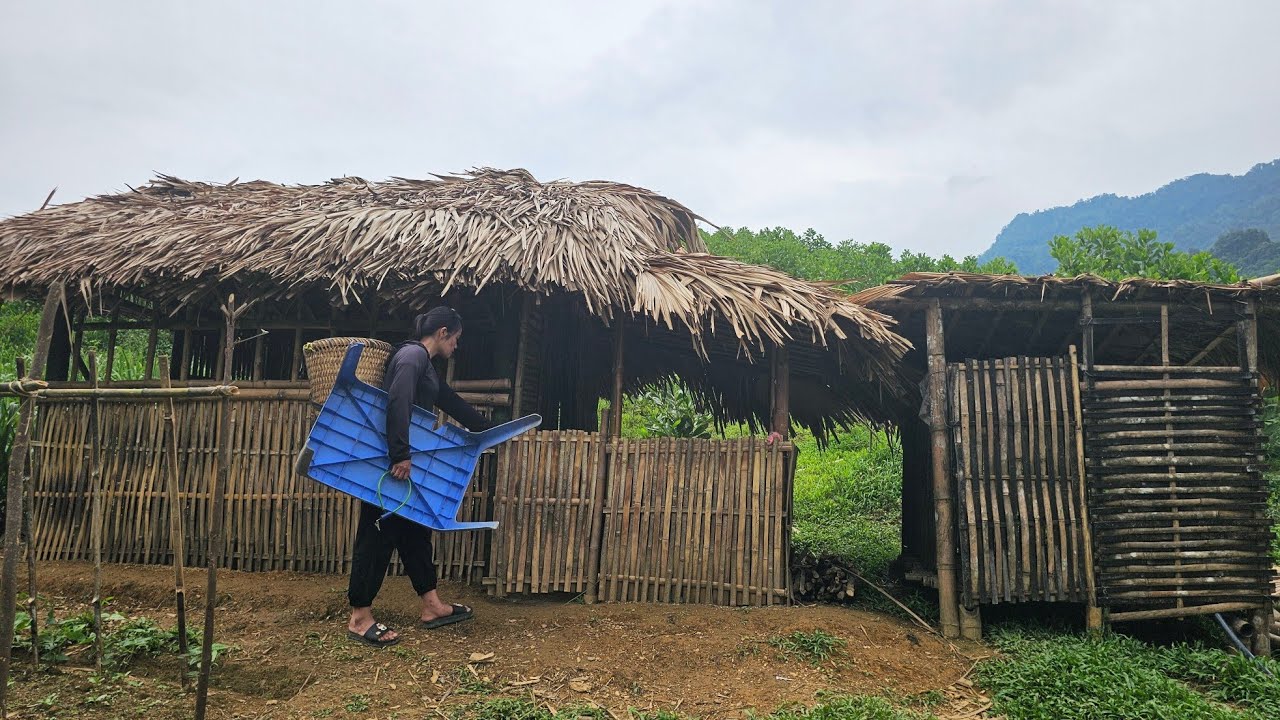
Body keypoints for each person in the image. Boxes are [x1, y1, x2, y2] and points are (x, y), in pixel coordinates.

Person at [346, 306, 492, 648]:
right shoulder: (412, 357)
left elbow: (448, 400)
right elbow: (397, 400)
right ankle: (359, 617)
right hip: (391, 464)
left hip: (403, 462)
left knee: (415, 530)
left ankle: (432, 606)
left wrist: (487, 429)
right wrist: (400, 453)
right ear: (442, 333)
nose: (456, 345)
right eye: (455, 338)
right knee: (377, 533)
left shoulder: (423, 364)